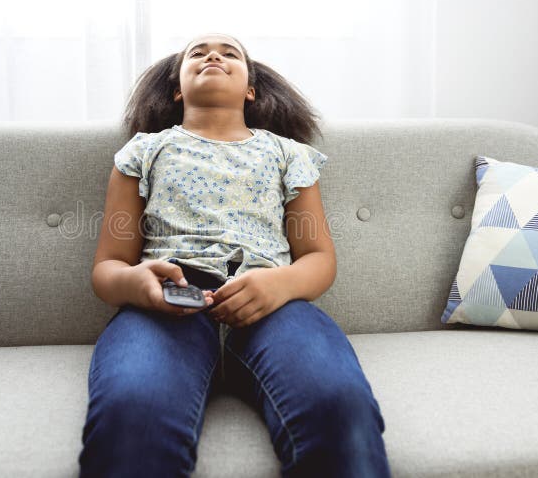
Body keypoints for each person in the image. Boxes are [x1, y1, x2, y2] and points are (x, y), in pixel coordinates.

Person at [78, 33, 390, 477]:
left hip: (274, 302)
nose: (213, 56)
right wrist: (137, 283)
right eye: (197, 53)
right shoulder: (144, 152)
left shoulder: (288, 154)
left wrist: (279, 283)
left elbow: (319, 257)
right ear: (177, 89)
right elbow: (107, 267)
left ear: (250, 89)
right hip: (169, 304)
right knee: (133, 408)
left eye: (230, 54)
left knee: (338, 401)